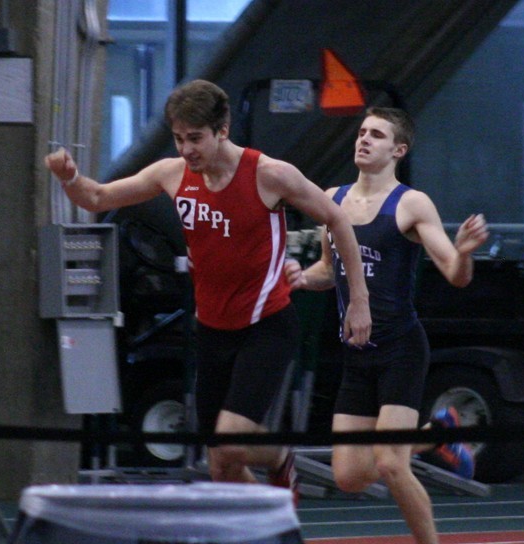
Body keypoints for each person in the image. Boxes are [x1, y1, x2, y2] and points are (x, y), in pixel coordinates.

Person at [43, 79, 372, 500]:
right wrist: (70, 178)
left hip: (266, 324)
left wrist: (356, 301)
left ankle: (277, 457)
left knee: (233, 441)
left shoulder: (269, 174)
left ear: (222, 129)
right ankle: (266, 524)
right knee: (220, 464)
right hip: (214, 330)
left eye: (195, 139)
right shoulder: (172, 174)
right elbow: (97, 198)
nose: (186, 150)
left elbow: (337, 219)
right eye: (179, 139)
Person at [284, 106, 488, 544]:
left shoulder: (411, 204)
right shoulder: (332, 199)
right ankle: (438, 434)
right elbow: (328, 268)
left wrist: (465, 251)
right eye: (361, 132)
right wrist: (302, 278)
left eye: (376, 135)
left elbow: (455, 273)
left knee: (392, 464)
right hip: (357, 352)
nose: (363, 140)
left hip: (400, 348)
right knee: (350, 476)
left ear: (398, 149)